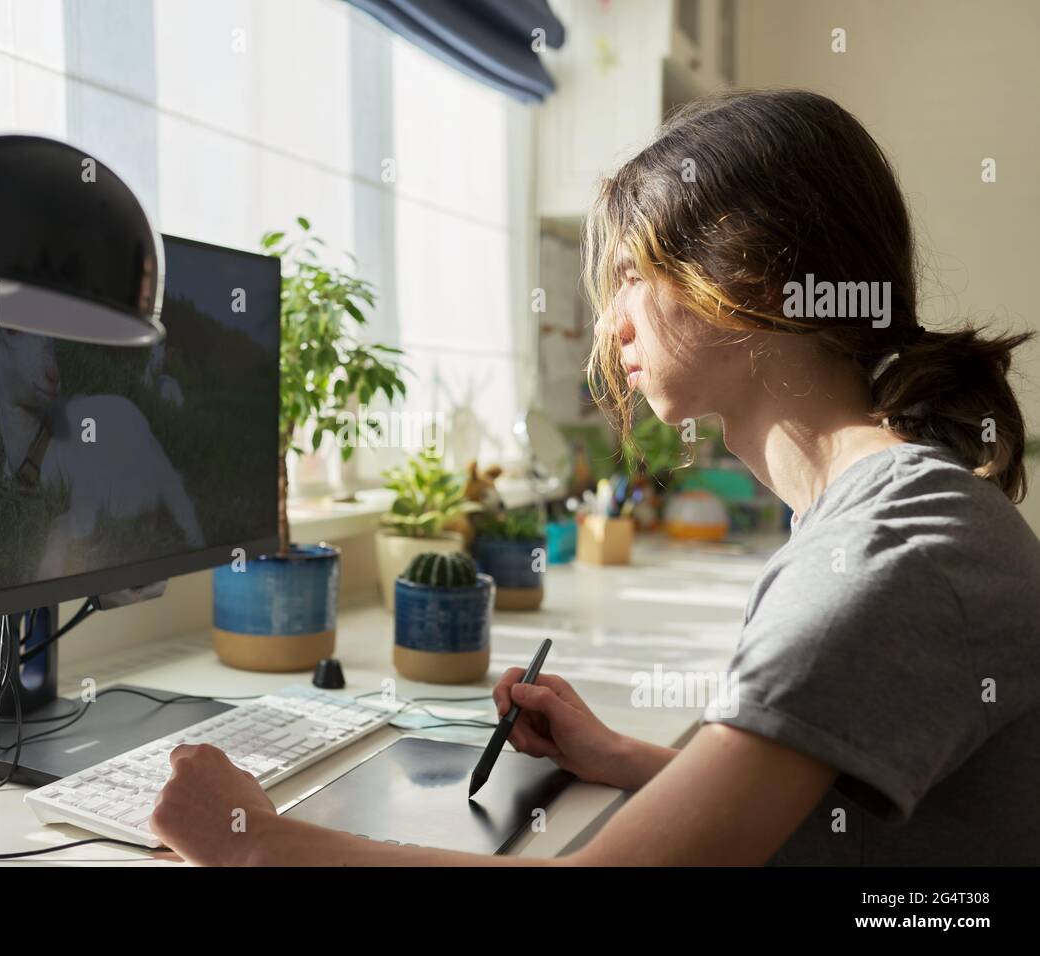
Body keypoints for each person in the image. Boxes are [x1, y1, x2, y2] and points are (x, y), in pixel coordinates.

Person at [150, 89, 1040, 866]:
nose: (609, 323)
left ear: (752, 272)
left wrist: (254, 843)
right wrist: (625, 758)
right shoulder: (874, 515)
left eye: (627, 273)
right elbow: (826, 827)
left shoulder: (884, 551)